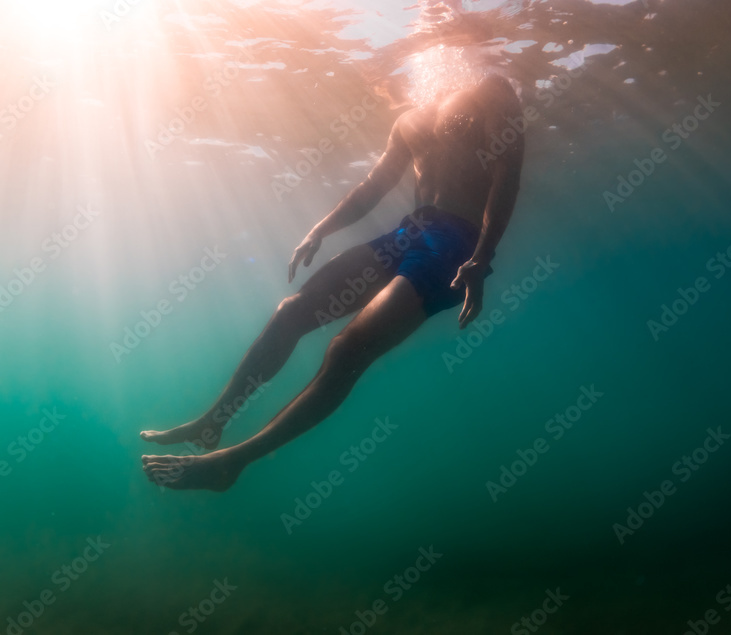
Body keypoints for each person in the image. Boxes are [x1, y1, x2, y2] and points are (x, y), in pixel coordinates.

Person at [141, 73, 525, 491]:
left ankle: (231, 463)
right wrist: (320, 229)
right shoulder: (409, 121)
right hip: (410, 231)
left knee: (347, 350)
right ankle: (211, 422)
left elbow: (508, 178)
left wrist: (480, 256)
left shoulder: (491, 90)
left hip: (455, 244)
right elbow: (373, 185)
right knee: (291, 312)